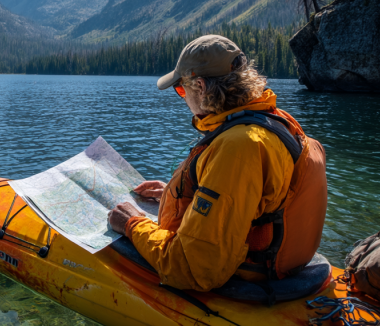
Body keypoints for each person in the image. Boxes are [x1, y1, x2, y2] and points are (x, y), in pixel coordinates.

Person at [107, 35, 327, 292]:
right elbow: (248, 201)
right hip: (284, 269)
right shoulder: (273, 121)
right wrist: (177, 195)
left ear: (200, 87)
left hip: (249, 279)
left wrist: (133, 224)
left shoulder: (239, 147)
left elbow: (193, 268)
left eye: (181, 89)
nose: (182, 97)